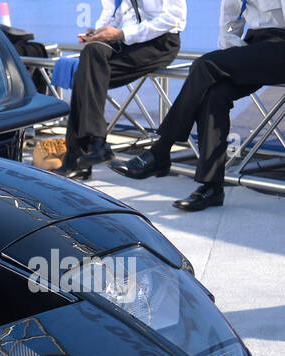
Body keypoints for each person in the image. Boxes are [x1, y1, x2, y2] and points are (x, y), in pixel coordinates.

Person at [111, 0, 285, 210]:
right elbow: (231, 21)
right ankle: (211, 186)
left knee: (204, 65)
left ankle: (161, 150)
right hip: (255, 47)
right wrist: (233, 49)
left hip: (280, 47)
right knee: (214, 94)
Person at [56, 0, 187, 181]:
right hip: (129, 41)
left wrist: (121, 33)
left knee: (85, 74)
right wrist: (98, 32)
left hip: (160, 43)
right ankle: (93, 147)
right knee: (91, 55)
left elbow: (173, 18)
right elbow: (113, 12)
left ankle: (80, 158)